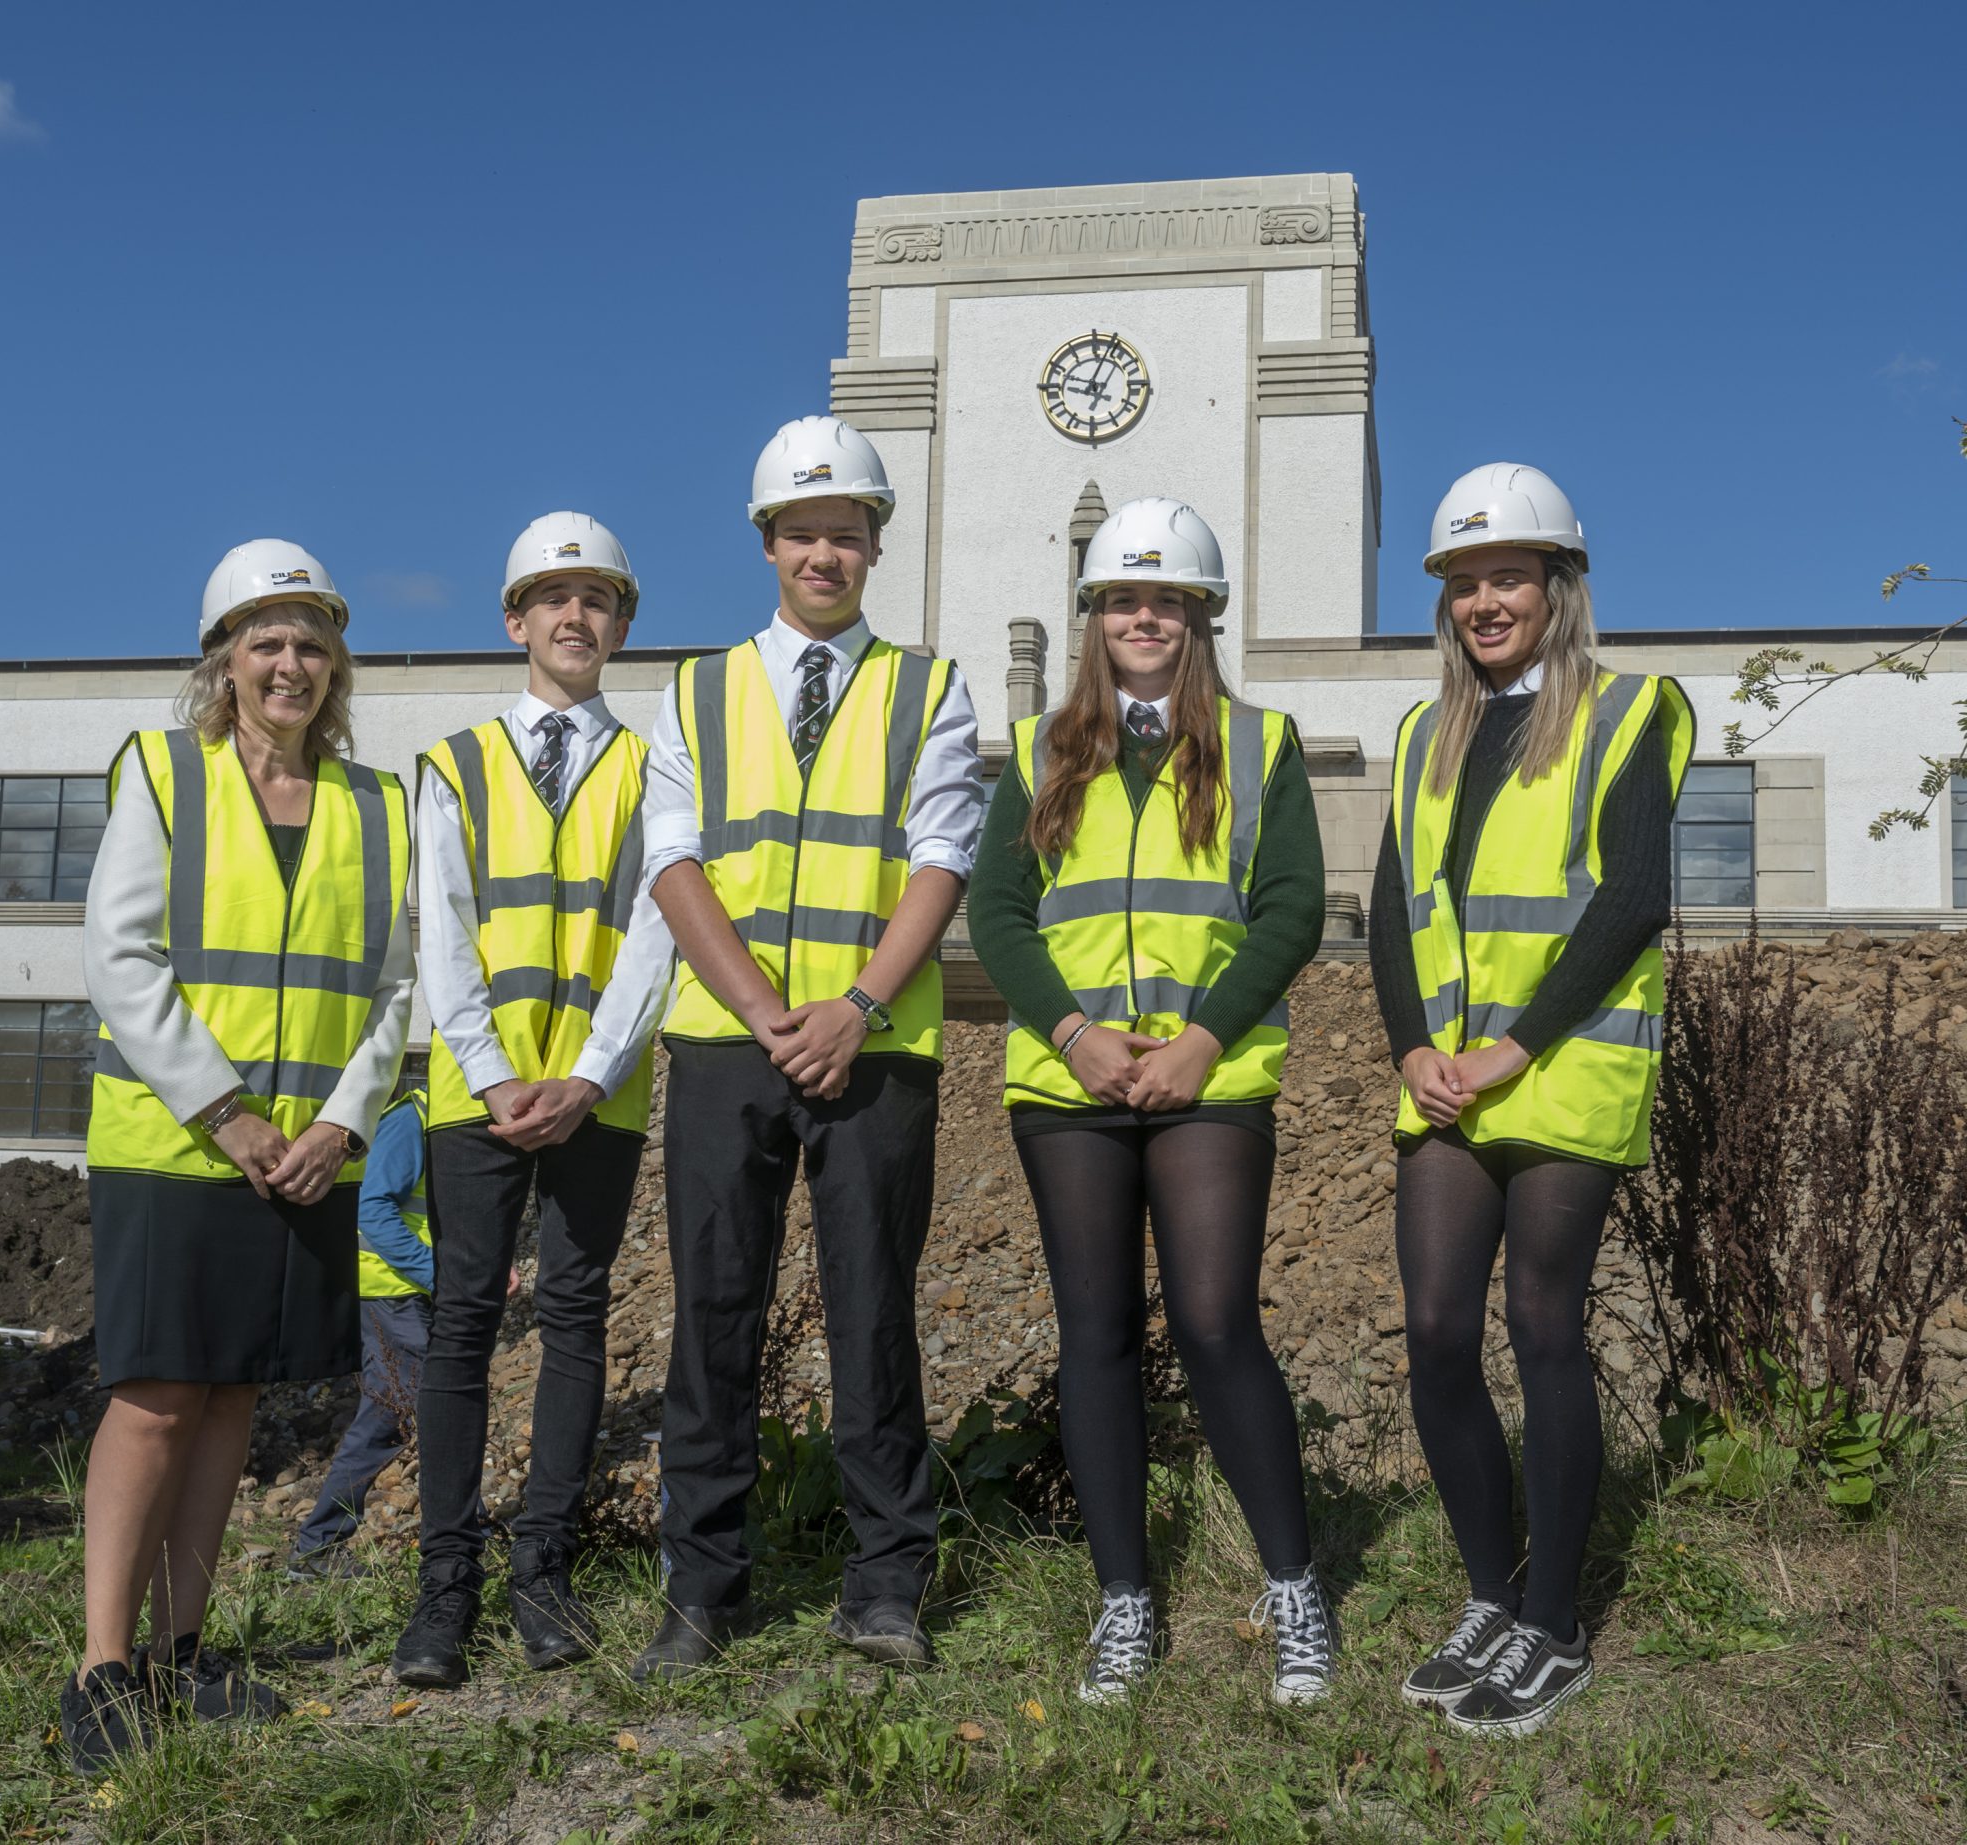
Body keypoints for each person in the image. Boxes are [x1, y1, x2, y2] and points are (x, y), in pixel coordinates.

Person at [630, 416, 984, 1682]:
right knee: (712, 1314)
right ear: (766, 543)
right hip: (730, 1046)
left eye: (844, 531)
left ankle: (885, 1586)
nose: (822, 553)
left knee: (873, 1312)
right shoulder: (695, 689)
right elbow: (671, 861)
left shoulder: (930, 689)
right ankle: (701, 1590)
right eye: (800, 531)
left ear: (874, 545)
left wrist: (857, 1008)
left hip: (872, 1047)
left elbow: (942, 856)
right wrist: (764, 1011)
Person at [967, 497, 1333, 1706]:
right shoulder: (1039, 749)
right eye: (1123, 599)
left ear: (1199, 617)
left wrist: (1199, 1042)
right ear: (1092, 616)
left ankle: (1293, 1589)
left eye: (1166, 601)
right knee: (1097, 1334)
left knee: (1217, 1321)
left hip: (1205, 1076)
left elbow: (1289, 907)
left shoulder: (1259, 744)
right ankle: (1122, 1600)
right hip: (1067, 1081)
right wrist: (1073, 1036)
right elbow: (998, 913)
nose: (1143, 619)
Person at [68, 542, 413, 1773]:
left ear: (336, 665)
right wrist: (230, 1115)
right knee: (158, 1397)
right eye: (265, 641)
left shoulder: (378, 805)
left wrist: (341, 1126)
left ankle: (181, 1652)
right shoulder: (165, 774)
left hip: (306, 1158)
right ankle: (101, 1670)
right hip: (175, 1148)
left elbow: (394, 988)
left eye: (311, 643)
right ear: (223, 661)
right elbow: (119, 959)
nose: (290, 664)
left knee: (232, 1397)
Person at [1369, 464, 1693, 1735]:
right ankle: (1489, 1598)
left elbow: (1632, 897)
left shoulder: (1629, 711)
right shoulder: (1423, 733)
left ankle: (1553, 1625)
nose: (1483, 602)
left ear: (1559, 586)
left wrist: (1511, 1048)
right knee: (1436, 1331)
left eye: (1507, 576)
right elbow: (1392, 910)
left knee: (1541, 1327)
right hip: (1447, 1080)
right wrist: (1411, 1049)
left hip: (1563, 1068)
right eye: (1463, 583)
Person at [392, 513, 674, 1689]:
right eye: (554, 598)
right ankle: (443, 1588)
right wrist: (496, 1073)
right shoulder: (454, 765)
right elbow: (442, 934)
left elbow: (658, 930)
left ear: (620, 625)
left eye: (597, 599)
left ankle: (541, 1573)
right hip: (480, 1092)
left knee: (573, 1318)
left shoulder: (655, 769)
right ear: (515, 620)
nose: (575, 616)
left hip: (597, 1094)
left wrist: (590, 1074)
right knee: (463, 1321)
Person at [287, 1086, 501, 1577]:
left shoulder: (448, 1114)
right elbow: (374, 1210)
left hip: (409, 1291)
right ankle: (321, 1545)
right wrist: (440, 1275)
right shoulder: (415, 1117)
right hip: (394, 1290)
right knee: (417, 1408)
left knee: (404, 1410)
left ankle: (321, 1545)